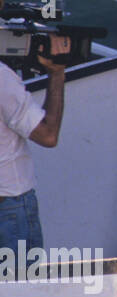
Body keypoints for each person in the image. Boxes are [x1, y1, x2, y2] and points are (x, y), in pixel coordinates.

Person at [0, 27, 68, 258]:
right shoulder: (2, 79)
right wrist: (57, 74)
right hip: (8, 209)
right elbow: (48, 135)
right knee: (22, 292)